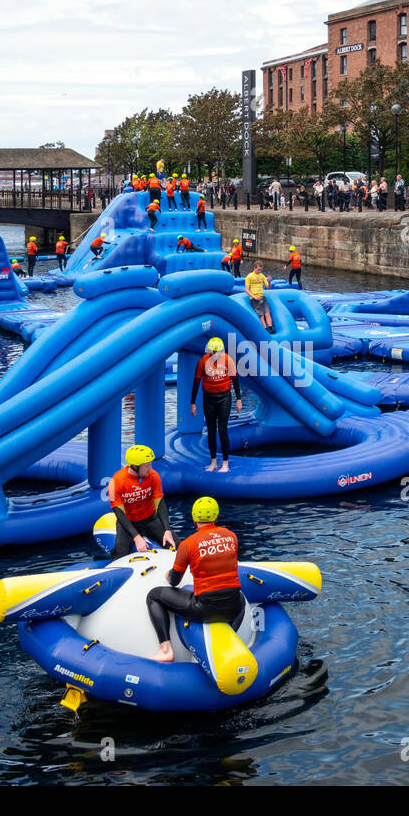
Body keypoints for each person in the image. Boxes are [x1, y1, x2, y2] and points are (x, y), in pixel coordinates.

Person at [145, 496, 244, 663]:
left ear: (194, 519)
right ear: (216, 517)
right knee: (239, 597)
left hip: (205, 609)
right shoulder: (231, 536)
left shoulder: (188, 544)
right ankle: (231, 638)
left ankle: (166, 649)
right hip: (234, 607)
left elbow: (174, 581)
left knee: (153, 595)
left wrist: (168, 574)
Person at [109, 445, 176, 559]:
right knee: (119, 554)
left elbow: (160, 503)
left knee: (176, 545)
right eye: (146, 466)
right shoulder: (116, 482)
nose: (150, 469)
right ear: (134, 466)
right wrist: (136, 537)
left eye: (150, 465)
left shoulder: (153, 476)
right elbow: (119, 513)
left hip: (150, 520)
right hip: (128, 523)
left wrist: (167, 530)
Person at [190, 338, 242, 473]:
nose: (215, 354)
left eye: (217, 352)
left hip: (224, 397)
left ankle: (225, 463)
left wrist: (239, 399)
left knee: (222, 430)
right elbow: (196, 383)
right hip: (208, 398)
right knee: (211, 430)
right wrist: (193, 403)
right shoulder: (202, 361)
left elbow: (235, 380)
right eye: (212, 352)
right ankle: (213, 462)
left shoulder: (227, 359)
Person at [245, 262, 273, 332]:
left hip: (262, 297)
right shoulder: (249, 276)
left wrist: (269, 282)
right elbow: (246, 290)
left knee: (267, 313)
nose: (260, 271)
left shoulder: (262, 276)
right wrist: (254, 297)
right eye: (258, 269)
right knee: (261, 315)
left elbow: (268, 287)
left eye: (261, 270)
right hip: (255, 299)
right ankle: (265, 330)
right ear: (254, 268)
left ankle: (270, 328)